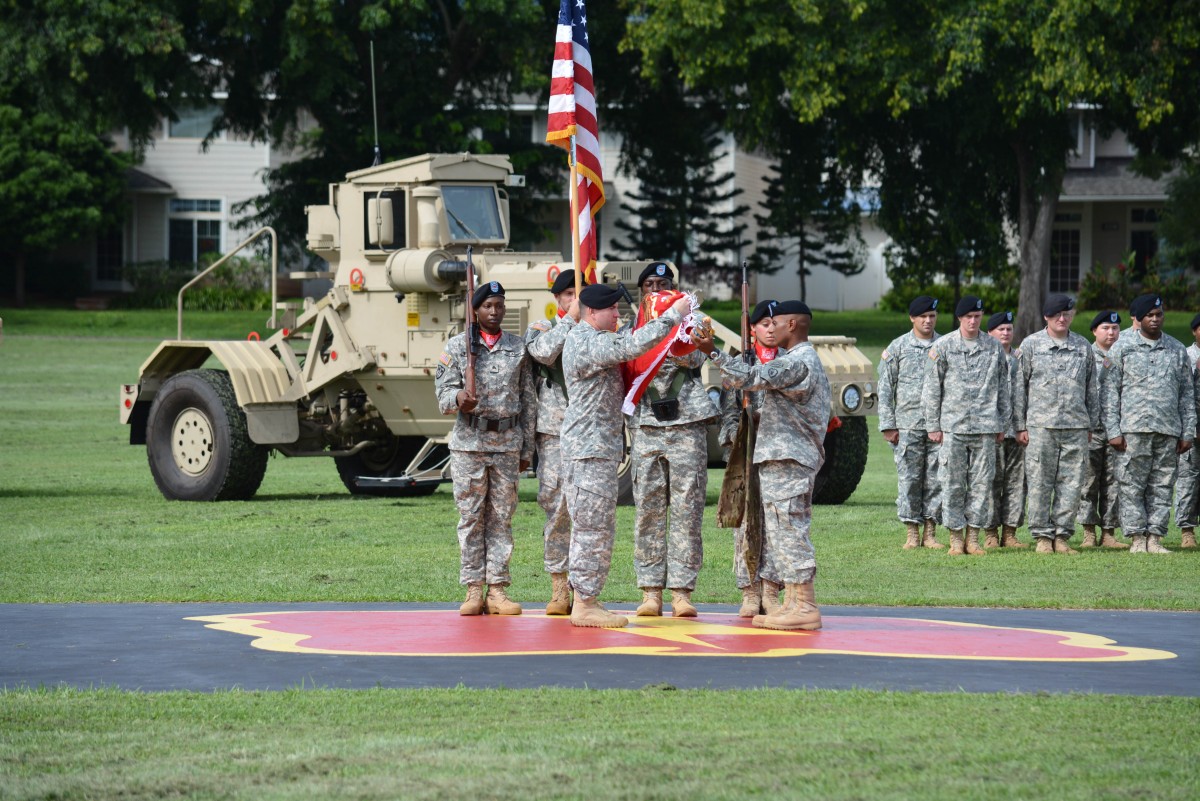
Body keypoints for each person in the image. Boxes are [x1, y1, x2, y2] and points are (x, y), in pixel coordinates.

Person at [561, 283, 693, 627]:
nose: (618, 315)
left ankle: (587, 599)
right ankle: (584, 603)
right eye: (612, 310)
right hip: (588, 451)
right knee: (592, 528)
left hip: (596, 449)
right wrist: (672, 317)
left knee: (598, 527)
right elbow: (633, 344)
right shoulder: (589, 340)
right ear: (593, 312)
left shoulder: (591, 337)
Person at [695, 300, 830, 631]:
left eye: (778, 322)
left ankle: (806, 605)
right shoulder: (796, 360)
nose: (773, 328)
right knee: (782, 532)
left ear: (793, 325)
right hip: (781, 457)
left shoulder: (800, 362)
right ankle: (793, 601)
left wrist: (713, 351)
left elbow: (754, 376)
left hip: (790, 459)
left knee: (790, 530)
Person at [434, 281, 536, 615]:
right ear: (475, 310)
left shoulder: (518, 348)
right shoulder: (458, 347)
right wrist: (458, 398)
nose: (495, 312)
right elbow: (442, 394)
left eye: (499, 306)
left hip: (507, 444)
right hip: (469, 444)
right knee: (470, 517)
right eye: (488, 306)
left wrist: (527, 449)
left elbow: (528, 401)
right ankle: (473, 589)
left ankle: (498, 590)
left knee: (502, 518)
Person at [629, 262, 719, 618]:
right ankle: (651, 591)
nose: (656, 289)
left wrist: (678, 325)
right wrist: (653, 328)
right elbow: (626, 360)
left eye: (663, 283)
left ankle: (682, 591)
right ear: (641, 291)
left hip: (686, 422)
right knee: (648, 510)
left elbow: (697, 355)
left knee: (687, 508)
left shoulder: (695, 321)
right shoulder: (630, 327)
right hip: (646, 424)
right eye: (650, 284)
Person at [1103, 293, 1196, 554]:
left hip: (1168, 430)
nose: (1155, 320)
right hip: (1133, 430)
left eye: (1159, 315)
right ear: (1139, 319)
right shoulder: (1122, 346)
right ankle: (1136, 538)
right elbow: (1110, 392)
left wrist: (1187, 430)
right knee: (1131, 484)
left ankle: (1155, 537)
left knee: (1163, 485)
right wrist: (1113, 430)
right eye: (1150, 316)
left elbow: (1187, 394)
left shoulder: (1176, 349)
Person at [923, 296, 1011, 556]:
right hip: (954, 426)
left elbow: (1003, 388)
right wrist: (933, 425)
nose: (973, 321)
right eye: (968, 316)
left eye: (977, 316)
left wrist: (1002, 423)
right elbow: (932, 388)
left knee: (983, 484)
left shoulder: (993, 347)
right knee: (952, 484)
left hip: (985, 426)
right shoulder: (943, 346)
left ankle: (973, 538)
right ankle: (955, 538)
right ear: (960, 318)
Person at [1013, 294, 1099, 554]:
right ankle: (1041, 536)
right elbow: (1019, 388)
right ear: (1046, 317)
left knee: (1072, 484)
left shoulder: (1083, 347)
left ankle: (1062, 536)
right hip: (1041, 427)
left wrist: (1090, 425)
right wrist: (1020, 425)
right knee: (1040, 482)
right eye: (1056, 315)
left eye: (1066, 314)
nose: (1062, 319)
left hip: (1075, 426)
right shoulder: (1030, 346)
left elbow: (1091, 390)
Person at [525, 269, 583, 615]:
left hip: (589, 433)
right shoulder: (543, 328)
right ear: (557, 299)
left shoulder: (597, 330)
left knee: (588, 513)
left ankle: (586, 589)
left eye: (579, 294)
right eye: (567, 295)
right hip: (554, 433)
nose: (574, 301)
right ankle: (560, 588)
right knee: (557, 508)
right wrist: (571, 322)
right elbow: (544, 354)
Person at [717, 299, 779, 616]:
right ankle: (749, 591)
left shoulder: (788, 360)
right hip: (747, 450)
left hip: (778, 452)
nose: (770, 329)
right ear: (752, 328)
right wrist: (734, 435)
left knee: (776, 524)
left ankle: (771, 590)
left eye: (774, 323)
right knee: (745, 525)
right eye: (764, 324)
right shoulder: (739, 362)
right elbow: (727, 413)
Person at [877, 296, 945, 550]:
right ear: (912, 318)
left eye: (932, 316)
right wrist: (888, 425)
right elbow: (885, 388)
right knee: (909, 480)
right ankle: (912, 533)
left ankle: (930, 533)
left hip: (938, 426)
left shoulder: (944, 345)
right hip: (907, 425)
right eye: (923, 317)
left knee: (936, 480)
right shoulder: (898, 347)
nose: (928, 321)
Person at [1077, 311, 1128, 549]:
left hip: (1119, 430)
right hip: (1092, 430)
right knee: (1088, 482)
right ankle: (1088, 532)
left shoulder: (1125, 354)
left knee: (1114, 483)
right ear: (1094, 331)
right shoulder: (1084, 354)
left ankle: (1109, 532)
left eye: (1115, 328)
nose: (1111, 333)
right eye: (1106, 328)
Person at [984, 311, 1027, 548]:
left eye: (1009, 328)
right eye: (1000, 329)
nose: (1005, 332)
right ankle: (990, 532)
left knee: (1017, 482)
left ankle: (1010, 533)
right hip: (991, 430)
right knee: (991, 481)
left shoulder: (1021, 358)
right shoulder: (984, 356)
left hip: (1017, 431)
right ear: (990, 333)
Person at [1172, 312, 1200, 550]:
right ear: (1194, 331)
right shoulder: (1187, 356)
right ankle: (1187, 531)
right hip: (1193, 433)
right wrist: (1189, 430)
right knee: (1188, 482)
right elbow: (1183, 396)